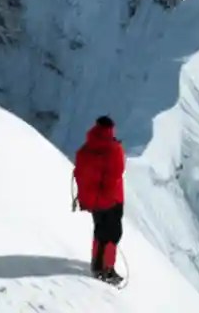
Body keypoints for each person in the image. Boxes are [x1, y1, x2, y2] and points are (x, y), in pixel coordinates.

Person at [74, 115, 125, 284]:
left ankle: (97, 265)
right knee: (113, 234)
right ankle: (107, 269)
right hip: (112, 200)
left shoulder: (89, 145)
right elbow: (117, 174)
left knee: (100, 231)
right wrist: (110, 198)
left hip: (94, 201)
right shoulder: (114, 149)